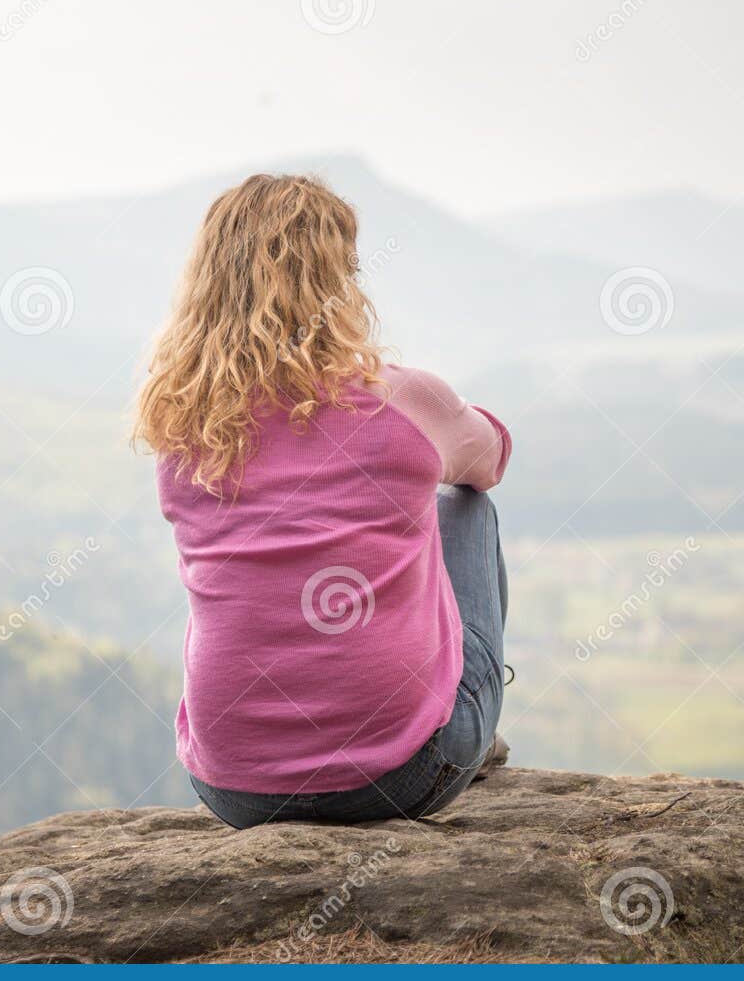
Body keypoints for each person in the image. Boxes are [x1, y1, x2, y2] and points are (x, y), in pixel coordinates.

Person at [133, 173, 512, 828]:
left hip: (232, 789)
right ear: (337, 285)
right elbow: (490, 461)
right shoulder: (405, 400)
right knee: (465, 510)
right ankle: (453, 723)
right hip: (400, 778)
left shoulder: (184, 431)